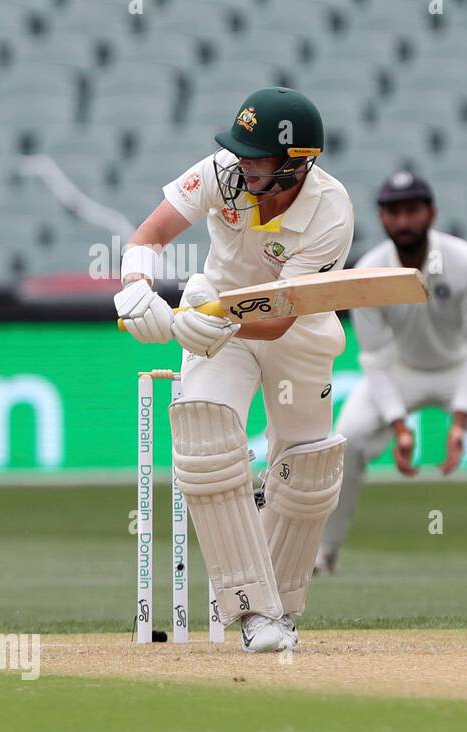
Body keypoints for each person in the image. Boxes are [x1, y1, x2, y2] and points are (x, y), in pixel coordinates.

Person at [114, 86, 354, 653]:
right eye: (240, 151)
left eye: (258, 157)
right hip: (215, 312)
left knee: (307, 474)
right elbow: (148, 237)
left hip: (295, 328)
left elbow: (276, 319)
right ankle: (256, 616)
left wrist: (201, 323)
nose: (242, 164)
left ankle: (285, 608)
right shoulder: (224, 173)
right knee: (202, 438)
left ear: (297, 164)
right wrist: (135, 287)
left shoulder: (331, 212)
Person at [315, 172, 467, 576]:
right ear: (381, 218)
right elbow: (376, 358)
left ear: (431, 212)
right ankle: (320, 552)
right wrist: (400, 426)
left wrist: (459, 424)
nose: (403, 222)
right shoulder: (369, 271)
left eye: (412, 210)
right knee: (347, 442)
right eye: (394, 212)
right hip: (400, 368)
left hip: (466, 369)